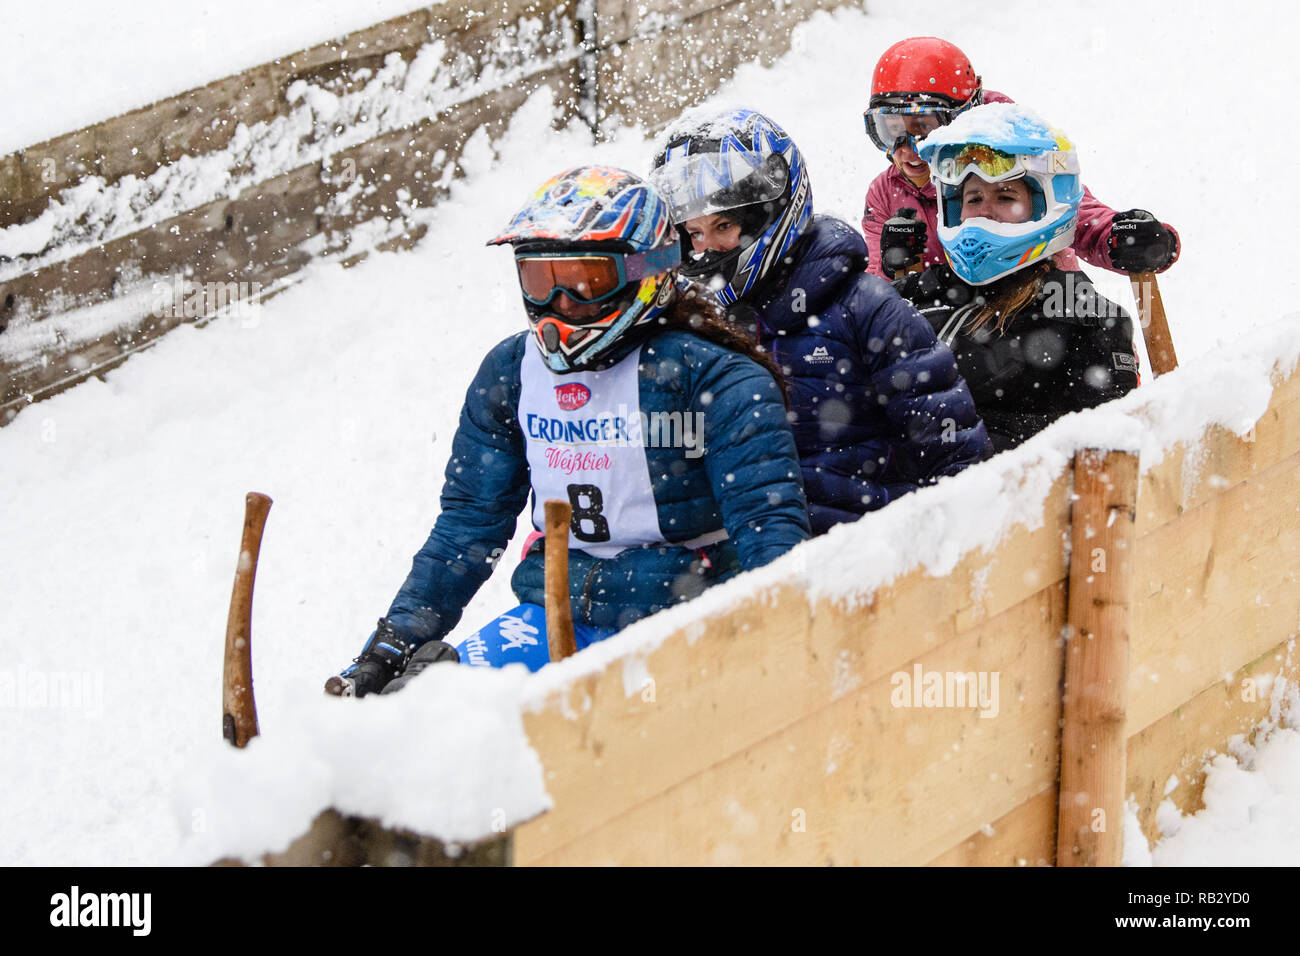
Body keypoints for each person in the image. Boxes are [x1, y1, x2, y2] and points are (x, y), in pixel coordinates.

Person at [326, 165, 811, 697]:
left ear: (645, 271)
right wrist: (395, 640)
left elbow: (769, 528)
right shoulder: (511, 372)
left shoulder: (717, 378)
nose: (561, 307)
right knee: (428, 725)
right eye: (541, 280)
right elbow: (469, 525)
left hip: (689, 611)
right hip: (553, 607)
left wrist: (781, 640)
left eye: (584, 282)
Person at [649, 107, 991, 535]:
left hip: (863, 552)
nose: (709, 248)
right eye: (694, 234)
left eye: (724, 224)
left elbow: (957, 459)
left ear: (769, 212)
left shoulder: (867, 310)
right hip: (742, 562)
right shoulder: (689, 328)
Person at [892, 104, 1139, 452]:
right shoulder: (920, 293)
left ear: (1045, 207)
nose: (984, 211)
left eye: (1005, 196)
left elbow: (1104, 451)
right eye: (972, 197)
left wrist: (977, 433)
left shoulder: (1086, 318)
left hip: (994, 493)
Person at [862, 36, 1179, 281]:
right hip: (955, 331)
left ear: (960, 118)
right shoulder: (886, 193)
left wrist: (1124, 240)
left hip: (1045, 310)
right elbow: (880, 305)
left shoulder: (1014, 150)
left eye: (923, 129)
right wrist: (893, 270)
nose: (905, 150)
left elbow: (1074, 213)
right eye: (891, 133)